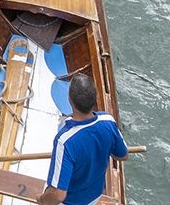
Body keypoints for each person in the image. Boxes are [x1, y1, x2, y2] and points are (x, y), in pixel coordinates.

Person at [36, 73, 127, 205]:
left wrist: (41, 199)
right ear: (95, 99)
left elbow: (58, 195)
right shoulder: (108, 121)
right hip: (94, 196)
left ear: (69, 100)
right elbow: (123, 155)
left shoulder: (65, 141)